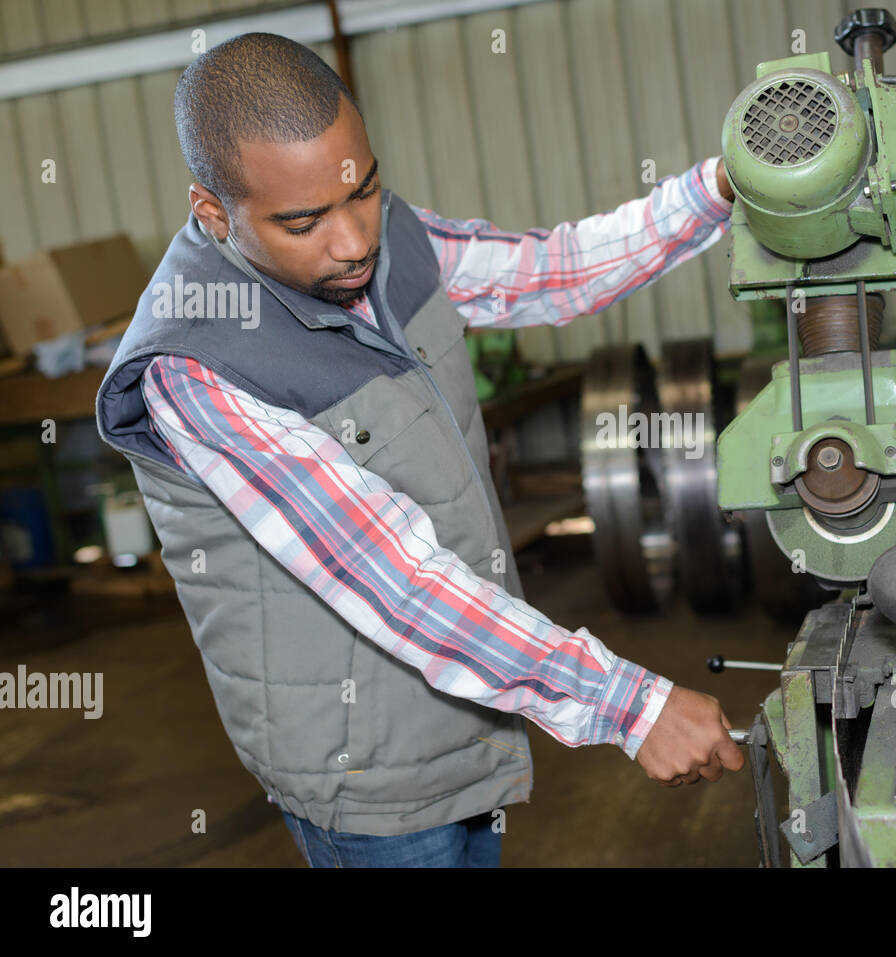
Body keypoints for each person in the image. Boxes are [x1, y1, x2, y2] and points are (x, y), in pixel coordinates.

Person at [95, 32, 745, 868]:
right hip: (367, 779)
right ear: (214, 211)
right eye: (305, 222)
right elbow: (397, 582)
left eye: (362, 189)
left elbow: (554, 270)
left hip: (469, 716)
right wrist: (631, 705)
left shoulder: (387, 232)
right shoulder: (197, 365)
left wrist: (719, 186)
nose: (353, 240)